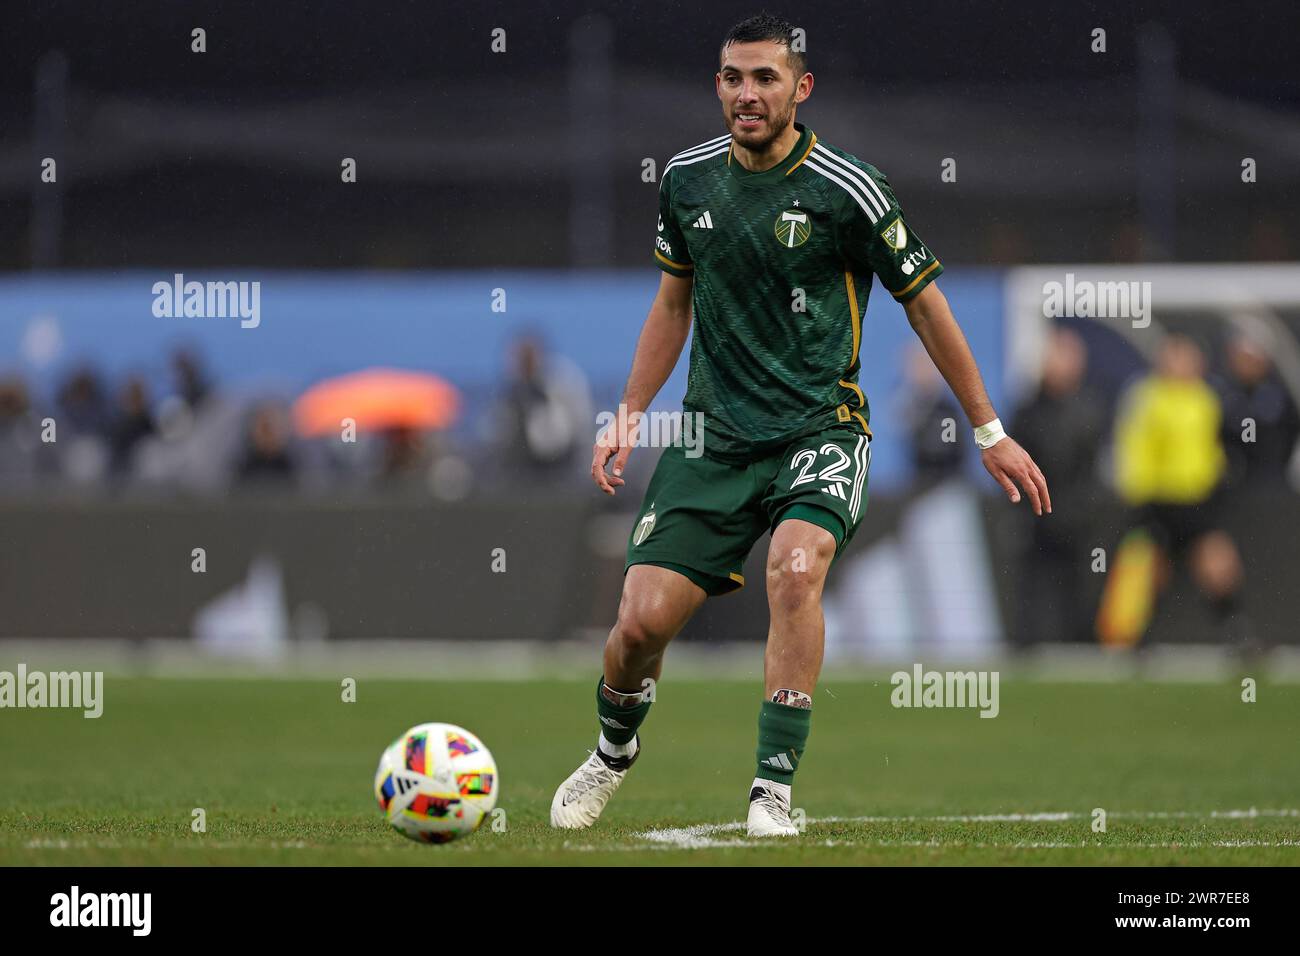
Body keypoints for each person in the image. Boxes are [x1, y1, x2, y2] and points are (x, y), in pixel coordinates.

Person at [550, 14, 1051, 837]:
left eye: (765, 78)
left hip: (819, 430)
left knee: (794, 569)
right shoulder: (686, 179)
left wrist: (989, 431)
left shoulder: (848, 189)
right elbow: (673, 301)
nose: (747, 94)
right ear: (717, 85)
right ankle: (612, 752)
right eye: (732, 78)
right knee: (637, 626)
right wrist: (630, 411)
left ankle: (771, 791)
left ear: (801, 89)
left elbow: (924, 302)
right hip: (712, 439)